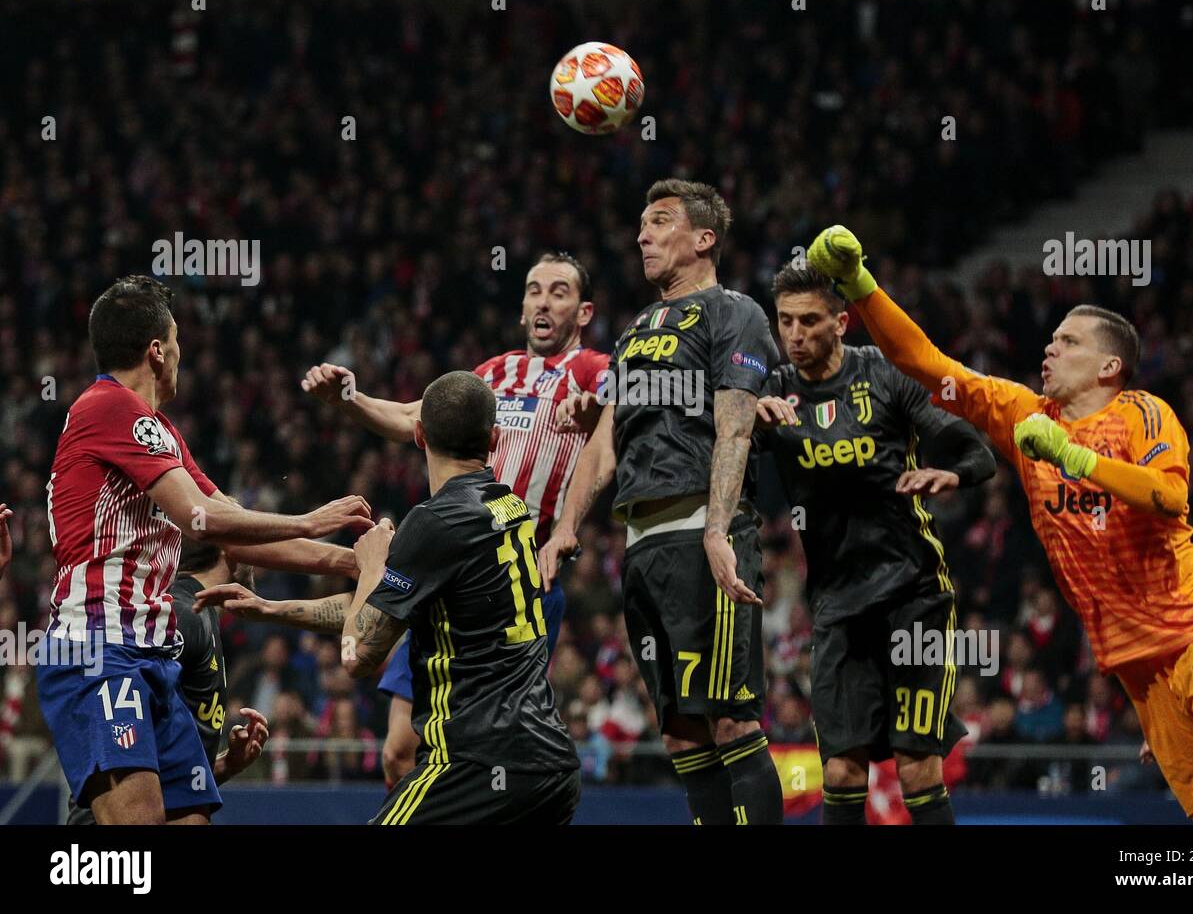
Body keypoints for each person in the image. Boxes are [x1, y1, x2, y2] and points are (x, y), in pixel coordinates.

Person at [807, 224, 1193, 824]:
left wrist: (1075, 459)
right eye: (1050, 340)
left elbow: (1169, 496)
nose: (1049, 350)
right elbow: (928, 366)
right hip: (1138, 671)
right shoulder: (1025, 415)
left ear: (1110, 365)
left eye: (1067, 342)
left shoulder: (1143, 411)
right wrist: (859, 285)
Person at [37, 276, 373, 825]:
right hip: (97, 649)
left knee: (190, 817)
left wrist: (346, 561)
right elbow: (202, 518)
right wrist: (312, 519)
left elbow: (232, 526)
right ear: (157, 349)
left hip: (151, 653)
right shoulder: (105, 407)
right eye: (178, 340)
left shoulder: (156, 429)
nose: (181, 353)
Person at [208, 371, 581, 823]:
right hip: (551, 765)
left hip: (475, 762)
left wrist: (371, 562)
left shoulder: (434, 521)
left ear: (419, 435)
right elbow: (381, 611)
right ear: (496, 439)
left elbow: (357, 654)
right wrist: (273, 609)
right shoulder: (512, 507)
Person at [301, 252, 608, 784]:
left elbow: (625, 415)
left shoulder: (595, 370)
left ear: (583, 312)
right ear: (520, 309)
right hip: (448, 569)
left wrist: (595, 411)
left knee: (485, 750)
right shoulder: (491, 373)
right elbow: (410, 416)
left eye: (559, 292)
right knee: (399, 750)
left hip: (519, 579)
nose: (543, 300)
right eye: (534, 290)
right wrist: (348, 396)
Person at [541, 179, 784, 824]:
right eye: (640, 225)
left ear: (704, 239)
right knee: (682, 734)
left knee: (731, 719)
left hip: (705, 533)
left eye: (659, 223)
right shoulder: (638, 329)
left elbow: (735, 425)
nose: (642, 235)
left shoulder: (736, 313)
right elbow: (603, 443)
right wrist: (567, 525)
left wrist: (719, 531)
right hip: (643, 548)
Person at [752, 262, 995, 824]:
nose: (795, 335)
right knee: (839, 771)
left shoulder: (887, 376)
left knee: (916, 767)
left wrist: (951, 475)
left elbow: (975, 452)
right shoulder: (772, 392)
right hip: (837, 604)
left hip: (914, 595)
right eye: (785, 322)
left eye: (809, 321)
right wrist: (749, 424)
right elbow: (718, 443)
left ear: (842, 322)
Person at [68, 539, 269, 824]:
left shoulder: (199, 616)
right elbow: (108, 709)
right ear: (228, 547)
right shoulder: (180, 613)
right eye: (241, 532)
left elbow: (164, 770)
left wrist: (227, 765)